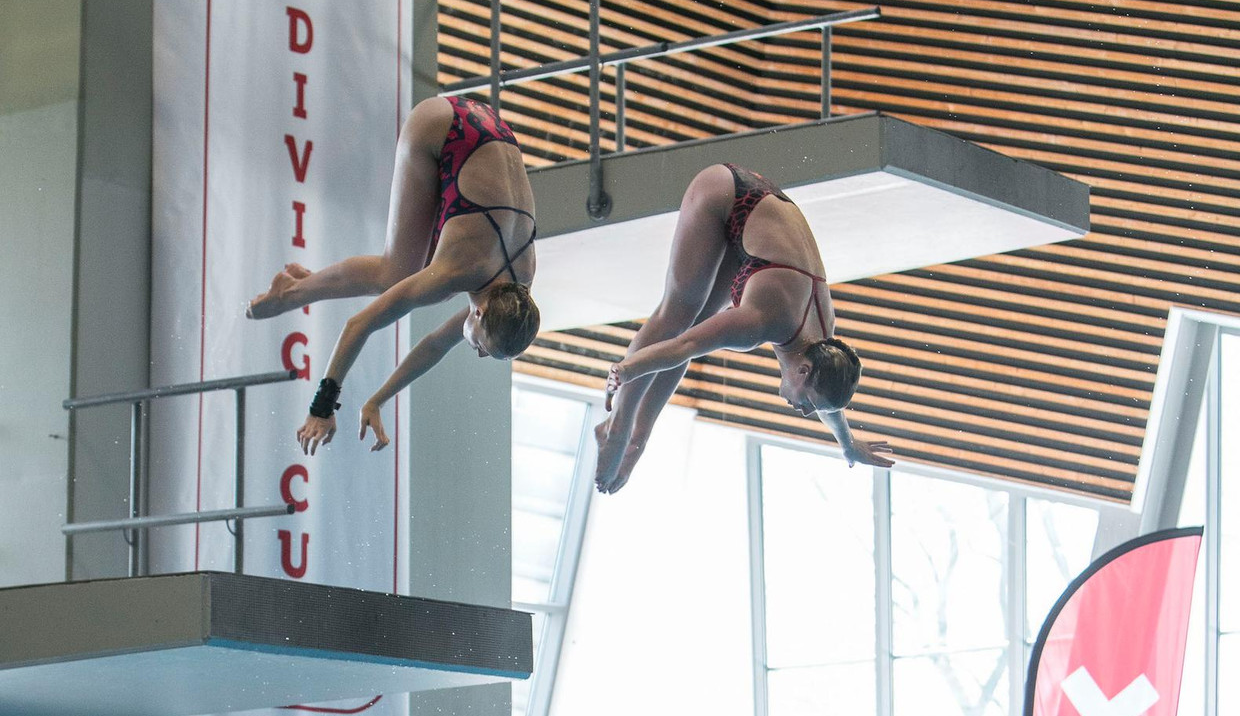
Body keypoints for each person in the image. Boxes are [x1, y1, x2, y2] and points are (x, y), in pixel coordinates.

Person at [246, 94, 540, 454]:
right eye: (481, 347)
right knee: (395, 275)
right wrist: (321, 408)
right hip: (438, 127)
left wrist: (377, 400)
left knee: (412, 273)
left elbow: (435, 345)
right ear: (478, 313)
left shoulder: (518, 284)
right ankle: (291, 292)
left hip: (484, 122)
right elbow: (359, 324)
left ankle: (298, 285)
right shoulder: (456, 271)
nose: (476, 352)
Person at [594, 162, 894, 492]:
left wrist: (848, 444)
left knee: (697, 325)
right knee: (677, 316)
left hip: (762, 226)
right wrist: (625, 370)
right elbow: (683, 345)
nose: (806, 412)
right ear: (803, 372)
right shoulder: (764, 322)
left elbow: (828, 405)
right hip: (726, 192)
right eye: (809, 404)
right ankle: (619, 427)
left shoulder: (823, 348)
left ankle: (639, 435)